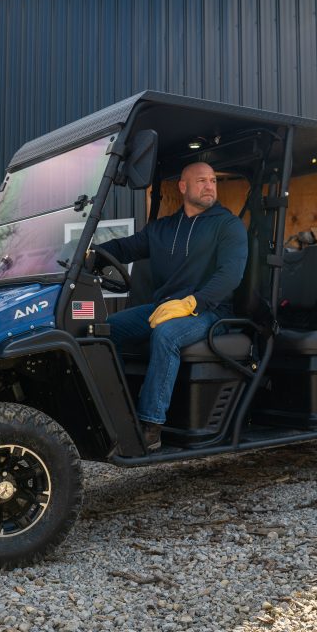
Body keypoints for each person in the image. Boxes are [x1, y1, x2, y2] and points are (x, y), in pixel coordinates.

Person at [95, 162, 248, 450]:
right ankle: (116, 409)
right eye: (202, 180)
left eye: (213, 181)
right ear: (183, 186)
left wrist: (193, 302)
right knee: (105, 330)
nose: (209, 186)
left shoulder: (228, 225)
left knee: (165, 335)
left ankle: (150, 426)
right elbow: (126, 247)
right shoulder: (163, 228)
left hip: (210, 311)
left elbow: (231, 275)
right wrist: (91, 253)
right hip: (165, 306)